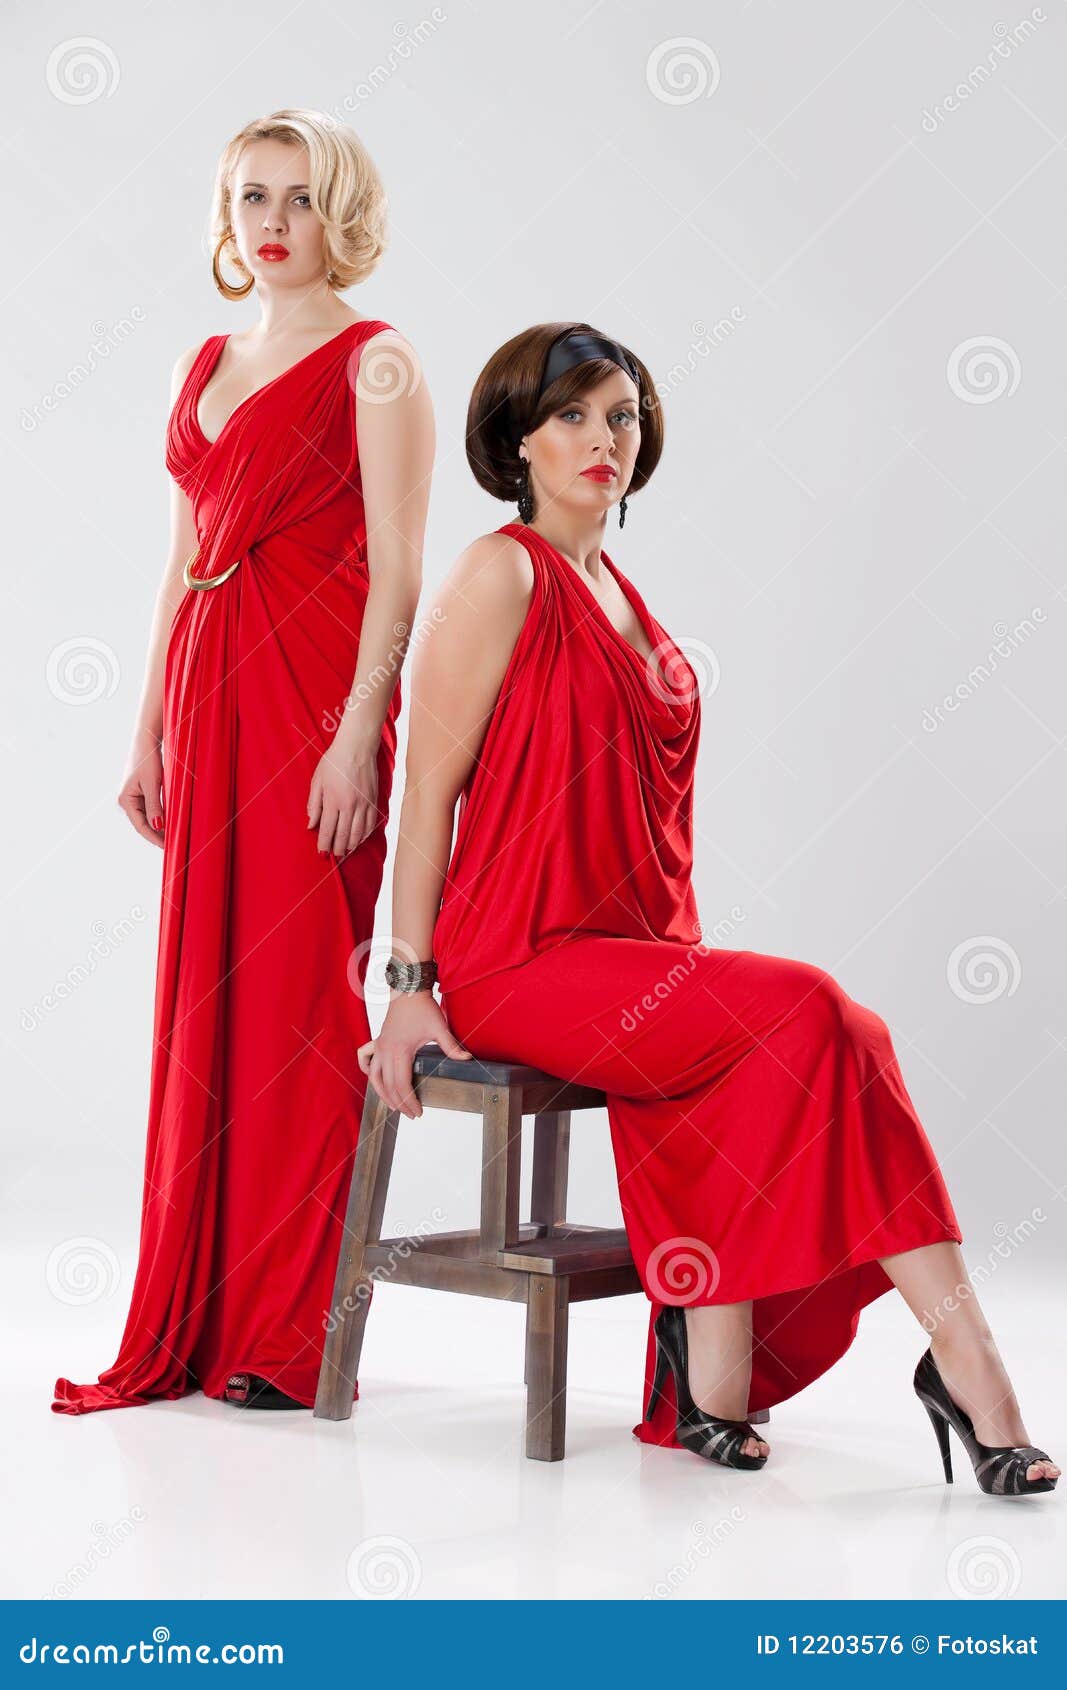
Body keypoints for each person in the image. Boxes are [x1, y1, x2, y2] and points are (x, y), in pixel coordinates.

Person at [358, 321, 1059, 1495]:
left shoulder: (622, 593)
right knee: (817, 1012)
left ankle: (709, 1377)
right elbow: (423, 797)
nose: (601, 440)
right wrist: (407, 988)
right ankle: (967, 1361)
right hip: (520, 956)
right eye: (571, 415)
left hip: (636, 953)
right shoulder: (501, 573)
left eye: (621, 416)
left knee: (826, 1035)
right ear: (517, 440)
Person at [52, 110, 433, 1415]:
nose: (270, 223)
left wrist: (350, 737)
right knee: (211, 1009)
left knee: (296, 1016)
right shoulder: (202, 357)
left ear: (342, 214)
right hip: (210, 704)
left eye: (298, 198)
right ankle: (204, 1314)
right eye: (249, 197)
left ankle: (283, 1334)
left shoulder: (377, 366)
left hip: (308, 710)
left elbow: (399, 575)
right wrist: (146, 724)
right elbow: (181, 557)